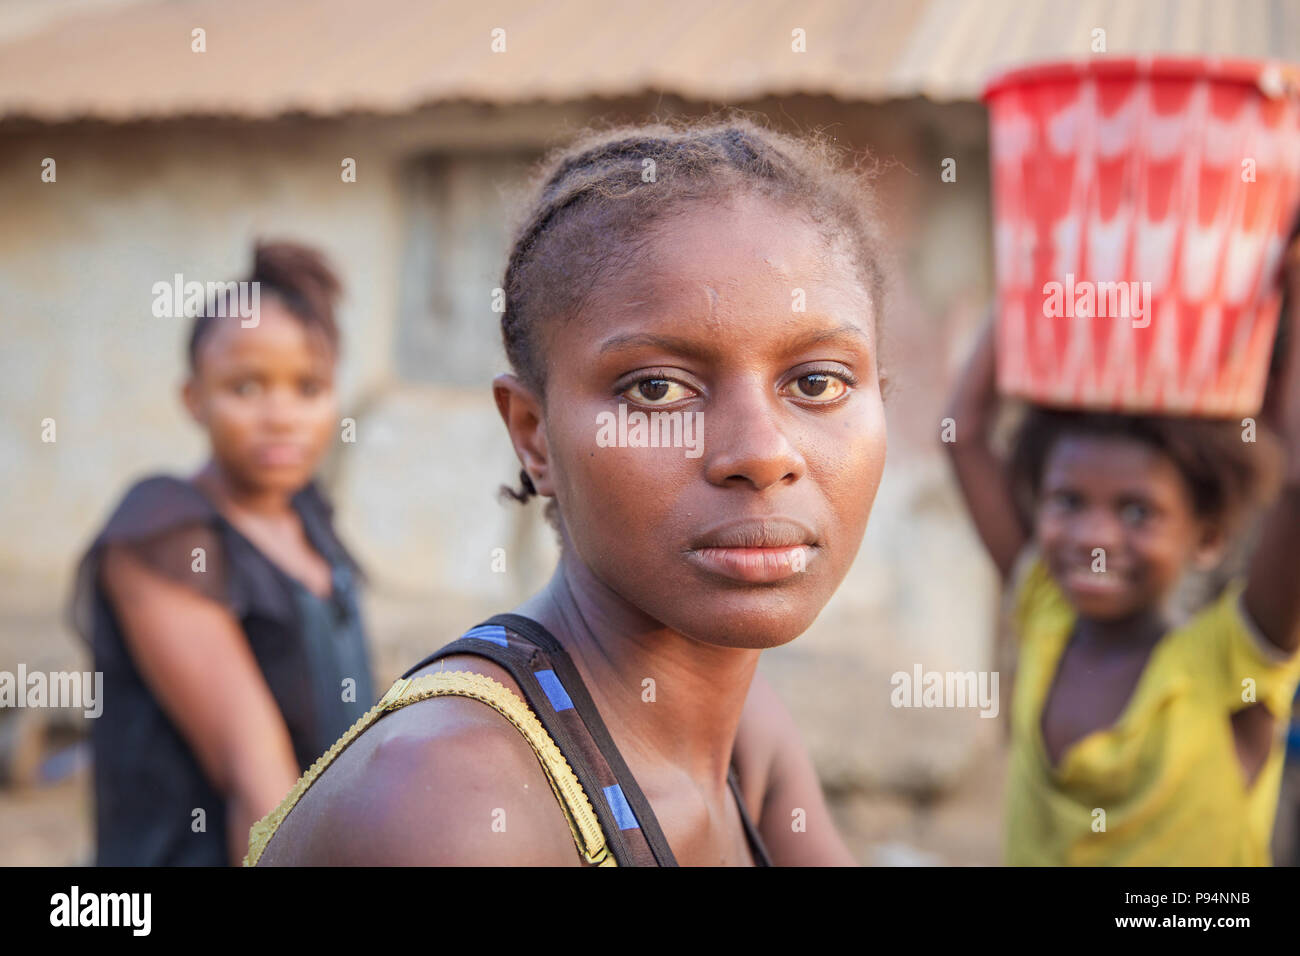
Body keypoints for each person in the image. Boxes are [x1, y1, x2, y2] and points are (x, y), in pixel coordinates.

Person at [248, 114, 890, 866]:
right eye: (656, 389)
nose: (761, 454)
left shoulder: (747, 739)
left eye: (817, 382)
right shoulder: (454, 801)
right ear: (533, 435)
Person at [942, 236, 1300, 865]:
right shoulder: (1044, 610)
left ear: (1209, 536)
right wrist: (1041, 255)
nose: (1094, 539)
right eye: (1068, 502)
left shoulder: (1230, 665)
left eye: (1138, 512)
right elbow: (962, 431)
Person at [71, 240, 375, 865]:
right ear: (194, 398)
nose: (281, 415)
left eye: (308, 387)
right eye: (246, 387)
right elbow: (256, 783)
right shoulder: (163, 531)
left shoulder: (310, 520)